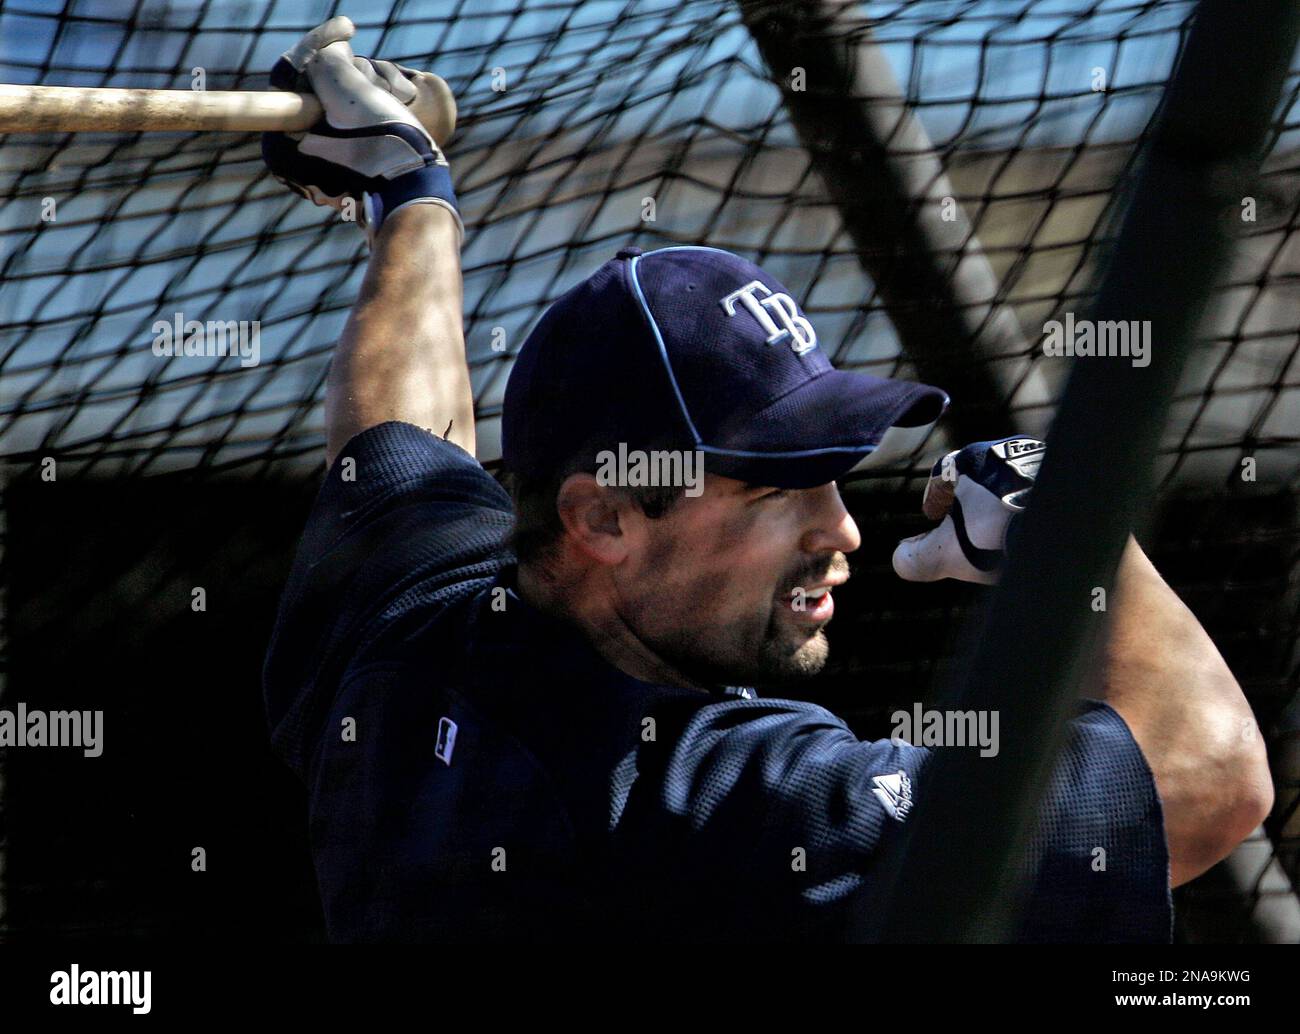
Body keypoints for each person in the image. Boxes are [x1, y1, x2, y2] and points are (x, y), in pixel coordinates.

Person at [261, 18, 1273, 942]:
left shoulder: (416, 614)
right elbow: (1205, 774)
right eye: (776, 489)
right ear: (602, 517)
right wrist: (1069, 533)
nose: (844, 530)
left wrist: (410, 194)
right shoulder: (727, 803)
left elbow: (399, 437)